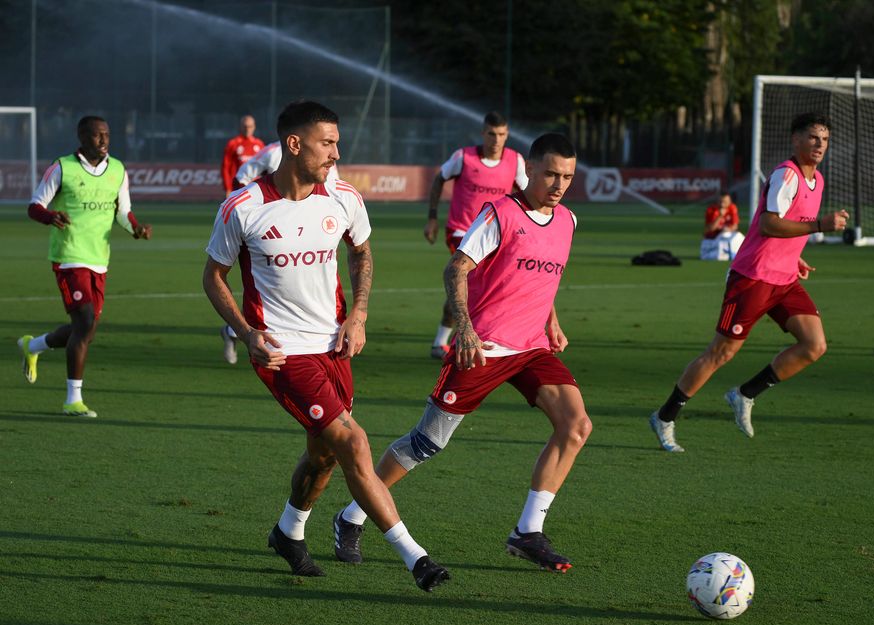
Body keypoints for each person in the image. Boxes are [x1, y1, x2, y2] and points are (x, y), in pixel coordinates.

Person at [202, 100, 449, 591]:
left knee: (324, 457)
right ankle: (415, 557)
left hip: (334, 346)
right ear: (295, 145)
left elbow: (361, 252)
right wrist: (248, 333)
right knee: (353, 442)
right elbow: (213, 277)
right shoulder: (244, 206)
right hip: (283, 353)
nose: (337, 152)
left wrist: (358, 314)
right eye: (327, 143)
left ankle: (288, 532)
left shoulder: (343, 198)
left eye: (337, 141)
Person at [332, 133, 591, 574]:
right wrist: (466, 331)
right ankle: (352, 516)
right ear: (529, 169)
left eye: (567, 175)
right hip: (483, 347)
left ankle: (527, 532)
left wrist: (552, 323)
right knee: (426, 443)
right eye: (551, 173)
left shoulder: (567, 221)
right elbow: (456, 268)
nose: (559, 183)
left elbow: (543, 279)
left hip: (531, 348)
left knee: (576, 425)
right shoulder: (501, 214)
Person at [648, 112, 850, 452]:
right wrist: (820, 226)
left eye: (825, 139)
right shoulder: (786, 175)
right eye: (813, 137)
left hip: (784, 279)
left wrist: (794, 254)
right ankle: (664, 417)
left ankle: (744, 394)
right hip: (753, 278)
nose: (820, 145)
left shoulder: (819, 181)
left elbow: (785, 226)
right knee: (720, 353)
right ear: (795, 140)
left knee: (814, 345)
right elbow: (770, 224)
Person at [18, 115, 152, 417]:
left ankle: (34, 346)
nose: (103, 140)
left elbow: (123, 211)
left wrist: (136, 230)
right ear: (82, 137)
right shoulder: (62, 166)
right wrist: (51, 216)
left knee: (86, 329)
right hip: (68, 256)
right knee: (85, 322)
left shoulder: (117, 169)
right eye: (96, 135)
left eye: (106, 134)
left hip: (99, 258)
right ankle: (72, 400)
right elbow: (34, 206)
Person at [218, 141, 339, 364]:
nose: (334, 152)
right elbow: (243, 175)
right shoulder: (272, 152)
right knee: (273, 292)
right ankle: (237, 332)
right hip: (271, 229)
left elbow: (332, 186)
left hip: (309, 225)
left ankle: (234, 332)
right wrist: (247, 211)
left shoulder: (324, 157)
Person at [424, 111, 528, 359]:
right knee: (468, 280)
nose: (496, 139)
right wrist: (432, 218)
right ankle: (451, 341)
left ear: (507, 135)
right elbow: (439, 179)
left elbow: (526, 195)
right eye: (491, 134)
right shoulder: (464, 157)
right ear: (483, 133)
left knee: (479, 284)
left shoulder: (516, 161)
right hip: (462, 231)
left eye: (501, 134)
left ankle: (451, 340)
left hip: (495, 234)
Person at [220, 115, 264, 196]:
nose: (247, 129)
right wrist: (228, 188)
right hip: (237, 188)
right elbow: (225, 168)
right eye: (245, 126)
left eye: (250, 126)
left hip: (255, 188)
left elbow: (264, 168)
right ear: (240, 127)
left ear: (254, 127)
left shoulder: (259, 144)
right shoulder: (233, 144)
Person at [700, 191, 744, 261]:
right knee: (724, 236)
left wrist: (727, 229)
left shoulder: (732, 208)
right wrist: (720, 216)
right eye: (720, 201)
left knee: (738, 235)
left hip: (724, 240)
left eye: (725, 202)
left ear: (729, 201)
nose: (722, 204)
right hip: (711, 241)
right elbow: (710, 229)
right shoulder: (711, 210)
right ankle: (728, 254)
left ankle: (734, 253)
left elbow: (735, 226)